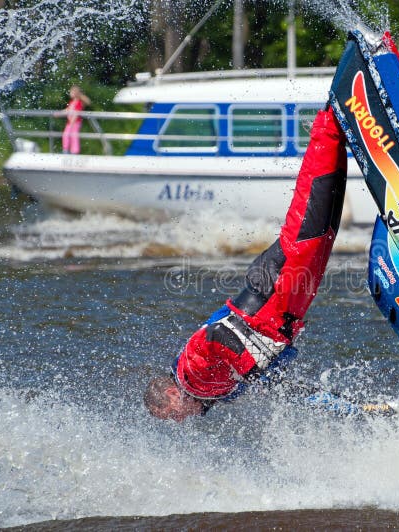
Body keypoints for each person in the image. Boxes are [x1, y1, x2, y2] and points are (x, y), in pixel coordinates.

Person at [144, 106, 348, 421]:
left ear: (172, 394)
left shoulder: (189, 374)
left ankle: (328, 125)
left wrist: (252, 370)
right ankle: (340, 137)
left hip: (269, 299)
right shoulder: (210, 392)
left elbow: (213, 337)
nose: (181, 421)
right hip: (283, 310)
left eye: (173, 415)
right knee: (325, 229)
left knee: (309, 225)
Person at [59, 85, 90, 154]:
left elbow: (77, 112)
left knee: (74, 136)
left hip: (75, 123)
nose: (70, 93)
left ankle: (74, 151)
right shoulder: (72, 102)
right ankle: (66, 149)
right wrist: (59, 113)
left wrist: (73, 120)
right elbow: (67, 110)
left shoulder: (78, 102)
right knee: (66, 135)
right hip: (70, 122)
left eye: (71, 92)